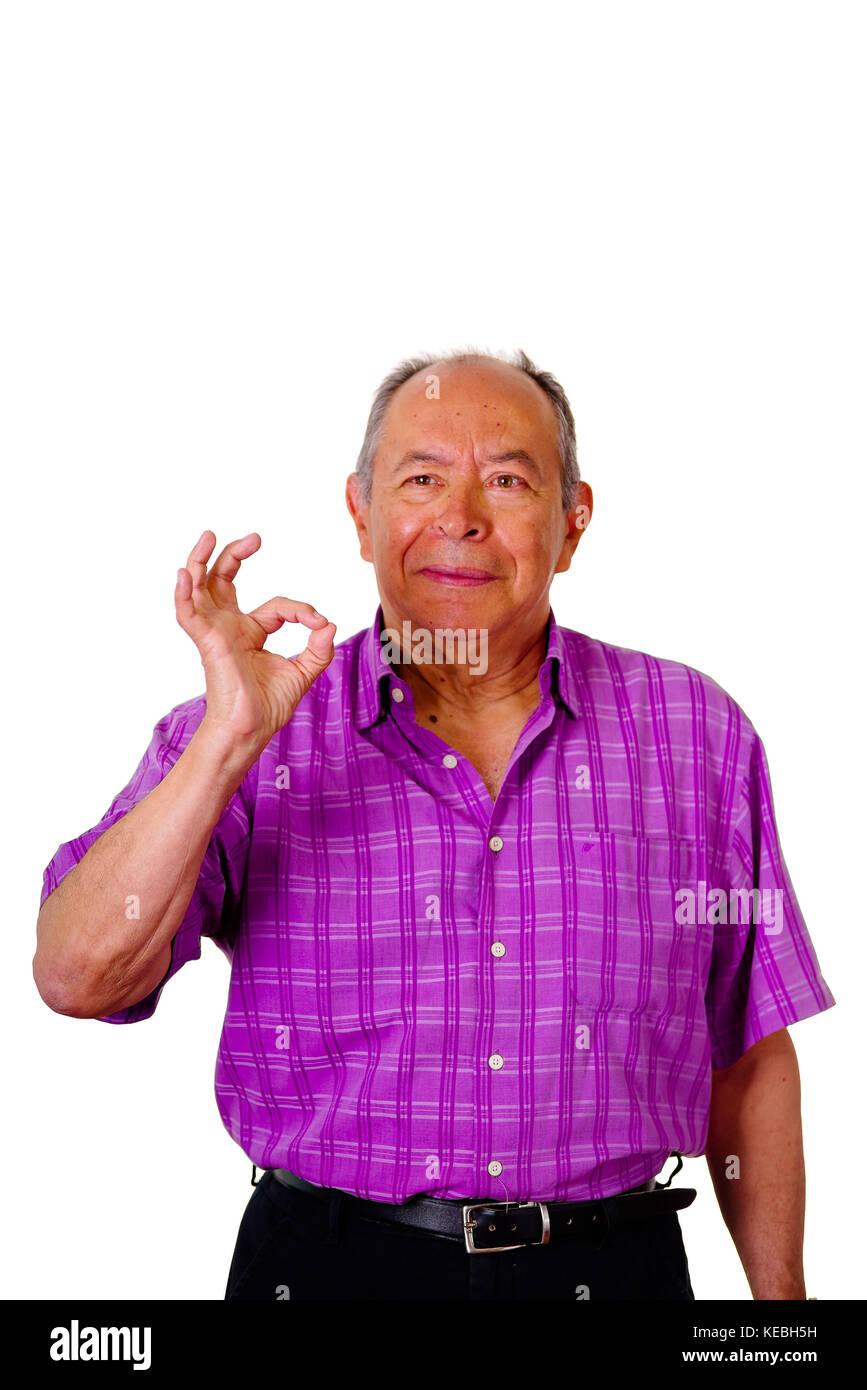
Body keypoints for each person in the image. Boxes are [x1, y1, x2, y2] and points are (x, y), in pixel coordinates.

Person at [34, 348, 835, 1301]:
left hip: (611, 1274)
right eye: (421, 479)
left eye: (506, 480)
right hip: (329, 1273)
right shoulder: (248, 735)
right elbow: (76, 975)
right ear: (360, 512)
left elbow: (743, 1046)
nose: (460, 517)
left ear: (573, 521)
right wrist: (225, 744)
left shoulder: (696, 734)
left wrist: (782, 1319)